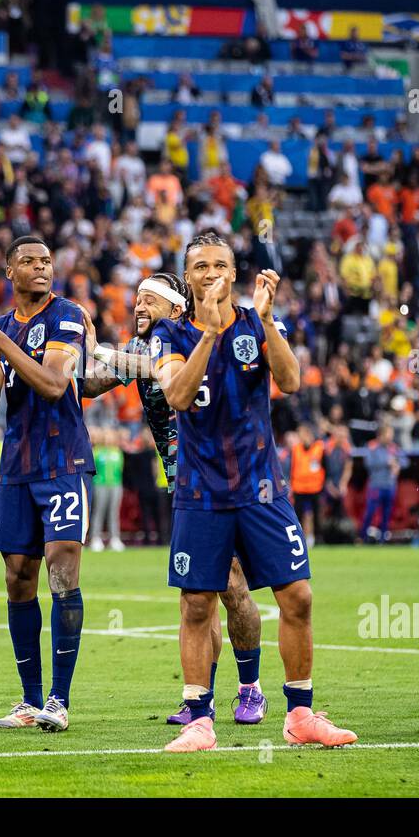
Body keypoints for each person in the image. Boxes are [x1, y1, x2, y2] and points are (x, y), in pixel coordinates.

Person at [152, 231, 357, 752]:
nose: (211, 273)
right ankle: (200, 719)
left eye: (219, 264)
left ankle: (301, 715)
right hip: (201, 491)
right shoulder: (168, 334)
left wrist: (267, 321)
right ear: (189, 276)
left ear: (234, 272)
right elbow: (177, 395)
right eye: (200, 266)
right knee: (197, 604)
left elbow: (290, 382)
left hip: (262, 488)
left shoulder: (258, 322)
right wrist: (208, 335)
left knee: (299, 596)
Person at [86, 271, 268, 725]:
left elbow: (156, 369)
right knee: (197, 594)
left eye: (151, 301)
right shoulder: (138, 349)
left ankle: (252, 688)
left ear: (176, 310)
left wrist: (104, 352)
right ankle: (198, 698)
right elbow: (89, 384)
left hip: (229, 480)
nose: (139, 308)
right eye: (137, 300)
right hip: (186, 485)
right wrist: (73, 348)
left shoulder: (193, 339)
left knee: (231, 586)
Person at [0, 235, 94, 732]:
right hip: (15, 465)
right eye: (29, 262)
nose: (41, 268)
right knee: (17, 578)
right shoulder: (5, 327)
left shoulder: (67, 315)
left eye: (47, 261)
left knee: (61, 572)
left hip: (63, 462)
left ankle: (59, 699)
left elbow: (56, 385)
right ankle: (29, 701)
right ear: (9, 271)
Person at [360, 424, 400, 543]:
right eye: (388, 434)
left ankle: (383, 539)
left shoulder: (393, 447)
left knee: (387, 514)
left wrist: (397, 465)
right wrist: (386, 462)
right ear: (380, 435)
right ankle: (362, 537)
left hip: (390, 485)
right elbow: (368, 463)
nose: (390, 437)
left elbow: (405, 461)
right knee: (370, 512)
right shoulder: (372, 446)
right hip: (376, 485)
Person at [88, 428, 124, 552]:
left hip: (115, 484)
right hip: (100, 484)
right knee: (99, 511)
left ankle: (115, 538)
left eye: (111, 436)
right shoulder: (96, 452)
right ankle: (95, 538)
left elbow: (120, 469)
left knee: (114, 512)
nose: (108, 439)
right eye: (106, 436)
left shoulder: (117, 452)